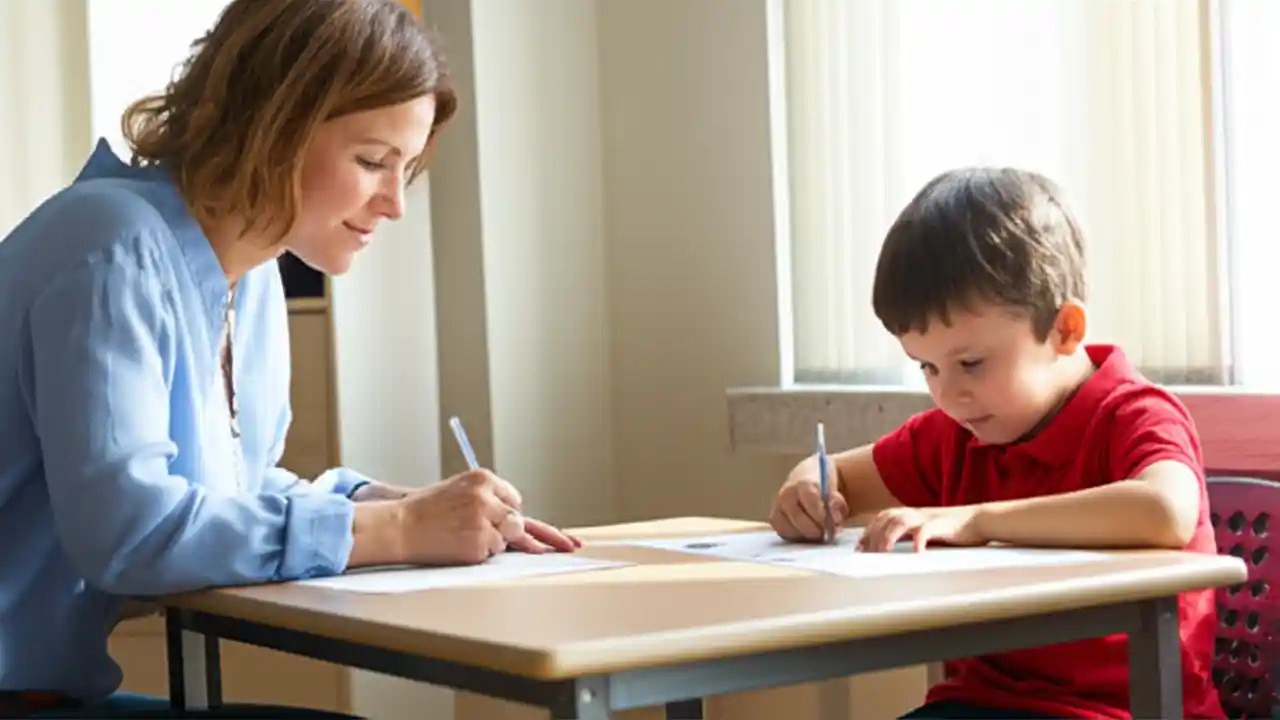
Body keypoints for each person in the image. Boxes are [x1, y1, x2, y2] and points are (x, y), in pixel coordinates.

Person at [0, 1, 579, 717]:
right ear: (269, 126)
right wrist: (397, 532)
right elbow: (132, 534)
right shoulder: (109, 247)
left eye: (408, 167)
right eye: (372, 161)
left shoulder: (253, 276)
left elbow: (231, 490)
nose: (396, 203)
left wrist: (387, 503)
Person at [769, 168, 1223, 719]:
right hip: (977, 705)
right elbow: (836, 474)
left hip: (1121, 711)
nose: (948, 394)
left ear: (1065, 330)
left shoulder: (1132, 415)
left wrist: (976, 520)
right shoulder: (960, 430)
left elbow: (1165, 511)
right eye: (927, 367)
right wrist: (807, 488)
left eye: (971, 363)